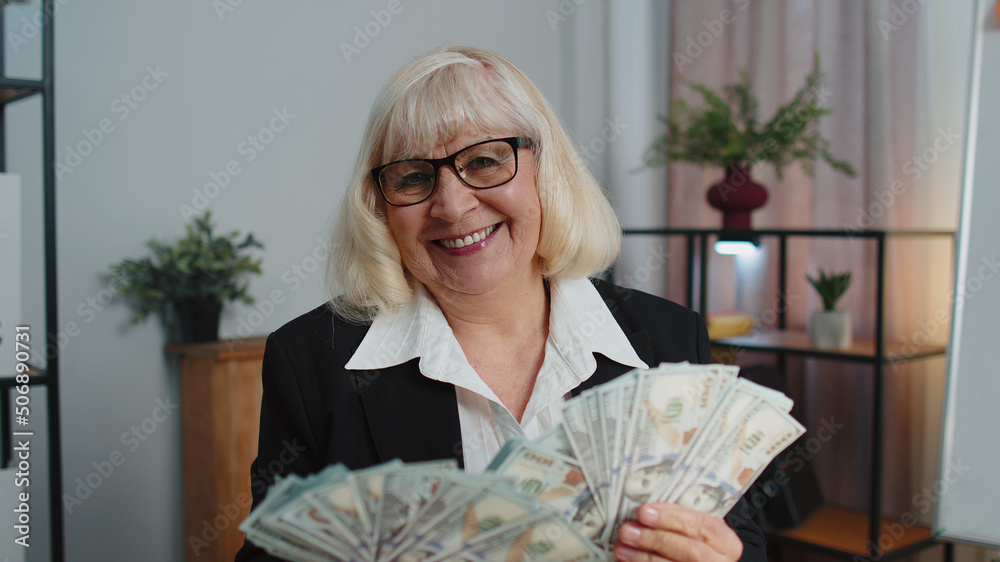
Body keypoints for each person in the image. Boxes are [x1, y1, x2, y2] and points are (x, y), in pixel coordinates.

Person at [236, 45, 765, 561]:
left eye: (484, 160)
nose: (452, 205)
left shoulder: (671, 338)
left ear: (546, 168)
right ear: (380, 206)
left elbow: (743, 540)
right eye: (415, 176)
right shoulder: (309, 361)